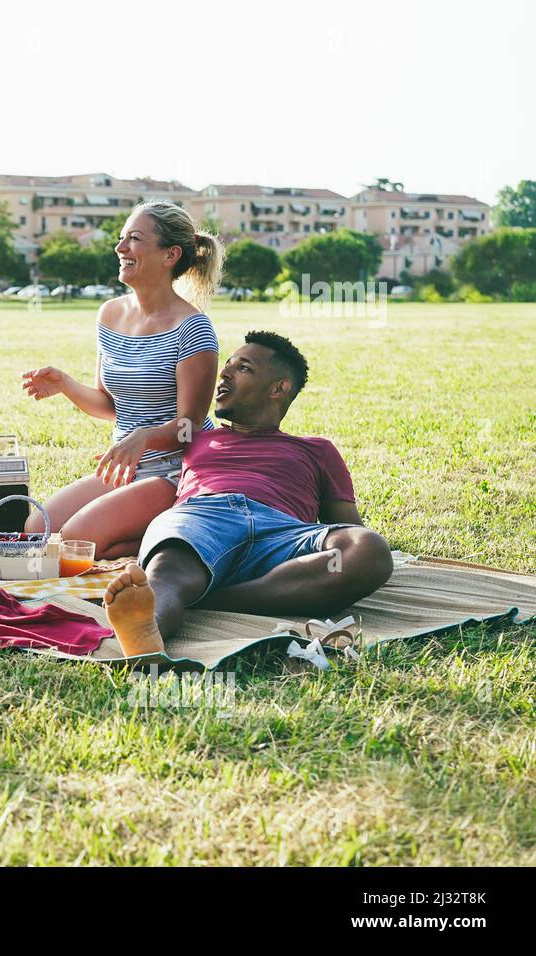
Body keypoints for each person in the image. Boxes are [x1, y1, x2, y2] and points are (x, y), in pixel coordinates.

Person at [101, 331, 395, 656]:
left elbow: (350, 527)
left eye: (243, 368)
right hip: (203, 520)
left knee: (368, 549)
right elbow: (133, 410)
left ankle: (210, 598)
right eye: (227, 365)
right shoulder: (193, 437)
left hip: (281, 536)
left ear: (279, 388)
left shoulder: (317, 450)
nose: (224, 374)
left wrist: (352, 551)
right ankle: (147, 629)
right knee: (169, 569)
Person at [21, 201, 222, 559]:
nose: (120, 248)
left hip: (174, 472)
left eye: (134, 239)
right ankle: (151, 537)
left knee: (74, 543)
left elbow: (191, 427)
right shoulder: (110, 313)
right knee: (37, 530)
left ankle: (175, 532)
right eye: (121, 238)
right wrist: (65, 383)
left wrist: (143, 439)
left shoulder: (193, 328)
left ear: (170, 254)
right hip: (125, 467)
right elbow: (110, 405)